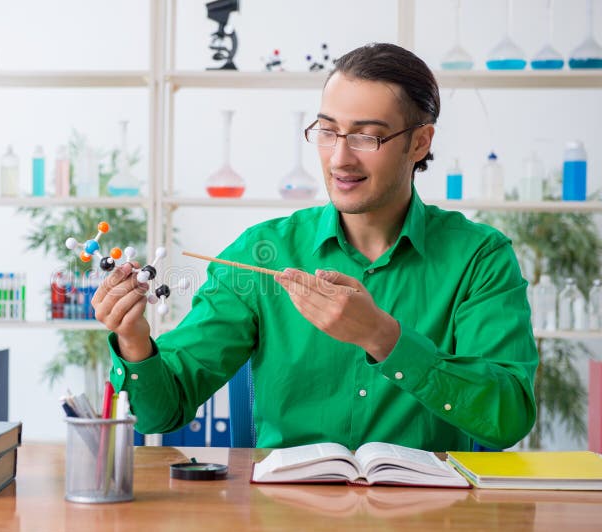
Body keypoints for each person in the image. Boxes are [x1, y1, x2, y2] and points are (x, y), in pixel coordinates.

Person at [91, 43, 538, 451]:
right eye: (327, 131)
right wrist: (134, 340)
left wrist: (382, 337)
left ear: (419, 142)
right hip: (286, 504)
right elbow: (162, 412)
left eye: (367, 136)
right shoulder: (260, 252)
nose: (340, 158)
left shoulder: (479, 258)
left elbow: (509, 419)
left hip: (428, 506)